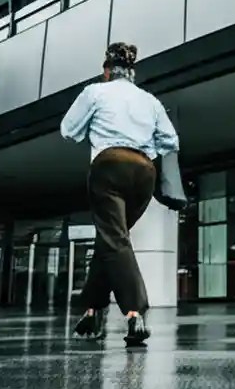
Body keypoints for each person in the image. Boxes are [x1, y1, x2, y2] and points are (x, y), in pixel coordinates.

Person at [60, 42, 180, 346]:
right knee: (112, 239)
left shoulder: (94, 93)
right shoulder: (150, 100)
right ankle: (91, 311)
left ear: (106, 71)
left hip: (109, 167)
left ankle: (134, 311)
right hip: (144, 174)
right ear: (133, 72)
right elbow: (170, 140)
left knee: (115, 239)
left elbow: (68, 130)